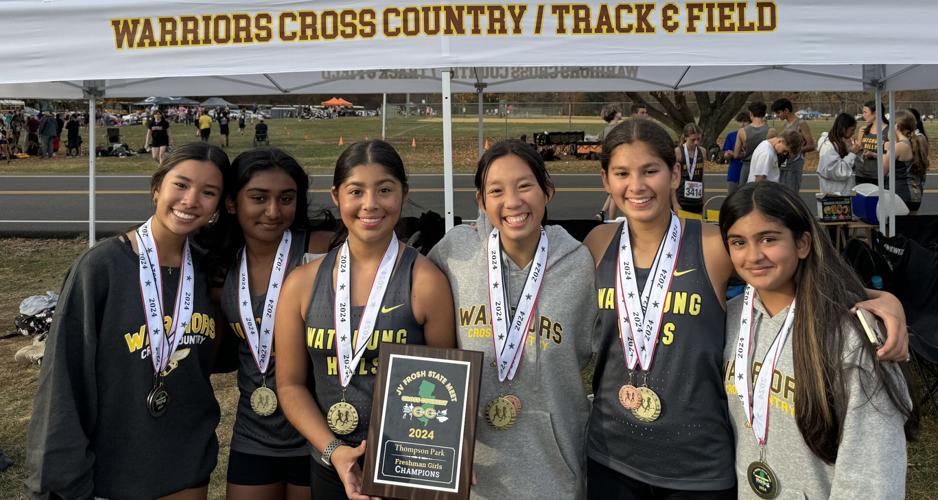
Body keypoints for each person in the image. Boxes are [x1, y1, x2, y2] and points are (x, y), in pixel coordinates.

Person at [582, 118, 908, 499]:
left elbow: (790, 273)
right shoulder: (598, 243)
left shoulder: (712, 244)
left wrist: (883, 299)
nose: (636, 185)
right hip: (612, 455)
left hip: (698, 463)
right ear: (606, 180)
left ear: (673, 175)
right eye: (622, 173)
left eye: (650, 171)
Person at [26, 142, 231, 499]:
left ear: (217, 206)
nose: (190, 200)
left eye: (208, 192)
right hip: (114, 468)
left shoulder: (210, 271)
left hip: (186, 465)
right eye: (180, 185)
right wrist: (61, 480)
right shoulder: (101, 268)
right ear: (157, 189)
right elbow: (63, 380)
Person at [275, 139, 456, 500]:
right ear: (336, 195)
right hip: (330, 464)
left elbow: (445, 388)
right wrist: (335, 452)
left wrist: (401, 447)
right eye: (356, 191)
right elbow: (290, 385)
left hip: (406, 463)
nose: (370, 204)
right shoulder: (301, 283)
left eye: (385, 190)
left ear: (403, 193)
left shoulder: (425, 281)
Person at [719, 182, 914, 499]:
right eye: (738, 242)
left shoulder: (852, 337)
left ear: (803, 244)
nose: (753, 255)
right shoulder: (727, 319)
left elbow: (872, 473)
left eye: (768, 239)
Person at [428, 140, 595, 498]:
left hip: (554, 472)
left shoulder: (580, 264)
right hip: (472, 474)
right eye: (496, 191)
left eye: (524, 186)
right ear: (481, 202)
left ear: (547, 190)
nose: (513, 202)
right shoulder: (452, 255)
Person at [218, 148, 333, 499]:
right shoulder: (221, 264)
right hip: (254, 432)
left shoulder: (322, 250)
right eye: (258, 198)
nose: (273, 211)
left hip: (319, 432)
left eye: (286, 198)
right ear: (232, 203)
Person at [881, 110, 927, 210]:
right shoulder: (914, 142)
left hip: (901, 195)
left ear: (896, 126)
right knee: (909, 225)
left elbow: (882, 171)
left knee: (896, 225)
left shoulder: (898, 147)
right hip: (914, 195)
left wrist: (886, 150)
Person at [771, 98, 816, 193]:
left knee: (791, 195)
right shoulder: (785, 125)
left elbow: (811, 145)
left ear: (786, 110)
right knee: (782, 194)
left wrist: (793, 150)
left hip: (794, 166)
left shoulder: (801, 123)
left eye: (778, 112)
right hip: (783, 165)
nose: (777, 115)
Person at [817, 113, 862, 195]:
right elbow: (839, 171)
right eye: (852, 130)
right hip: (835, 197)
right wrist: (852, 154)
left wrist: (850, 151)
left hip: (840, 193)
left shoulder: (837, 143)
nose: (853, 133)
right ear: (844, 129)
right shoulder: (828, 147)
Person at [733, 102, 771, 185]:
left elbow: (736, 155)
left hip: (747, 166)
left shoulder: (742, 131)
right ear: (764, 113)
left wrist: (745, 154)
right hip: (764, 167)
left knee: (744, 194)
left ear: (751, 113)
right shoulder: (771, 131)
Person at [674, 122, 707, 215]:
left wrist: (703, 200)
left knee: (696, 227)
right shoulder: (678, 152)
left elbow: (702, 177)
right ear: (685, 137)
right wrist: (674, 202)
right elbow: (672, 178)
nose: (696, 142)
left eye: (698, 139)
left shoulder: (702, 152)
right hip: (681, 199)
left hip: (697, 200)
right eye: (693, 140)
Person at [855, 100, 887, 186]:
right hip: (861, 174)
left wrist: (874, 155)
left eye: (865, 112)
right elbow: (858, 150)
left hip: (878, 175)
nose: (863, 115)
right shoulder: (863, 130)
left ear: (876, 113)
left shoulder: (889, 131)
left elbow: (891, 156)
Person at [723, 112, 750, 196]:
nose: (742, 124)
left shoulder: (753, 136)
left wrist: (737, 154)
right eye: (740, 121)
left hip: (749, 173)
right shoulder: (731, 136)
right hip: (734, 172)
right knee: (732, 198)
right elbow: (725, 154)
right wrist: (727, 155)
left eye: (745, 121)